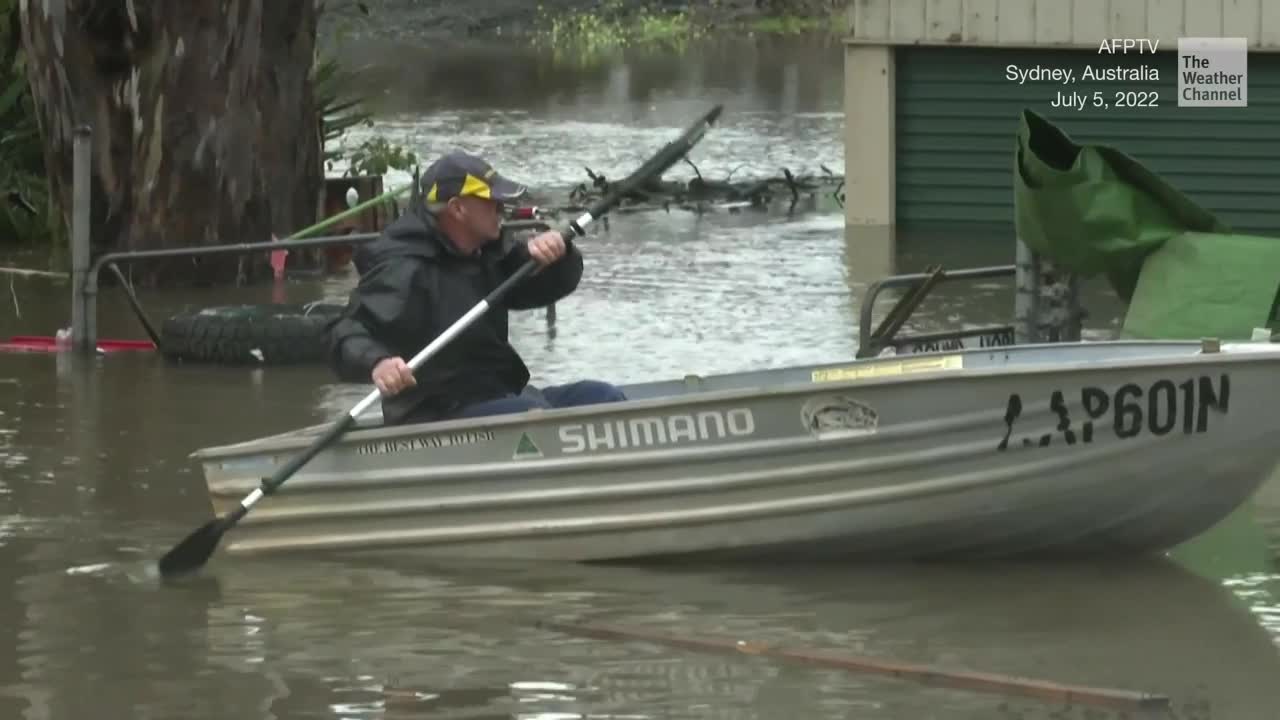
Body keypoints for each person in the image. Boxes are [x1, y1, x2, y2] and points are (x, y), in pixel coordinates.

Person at [327, 150, 627, 426]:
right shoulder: (404, 267)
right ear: (458, 209)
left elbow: (545, 287)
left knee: (603, 397)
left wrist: (557, 256)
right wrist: (377, 363)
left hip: (500, 396)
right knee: (531, 416)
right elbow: (346, 330)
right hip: (436, 412)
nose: (502, 208)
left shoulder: (488, 252)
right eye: (491, 202)